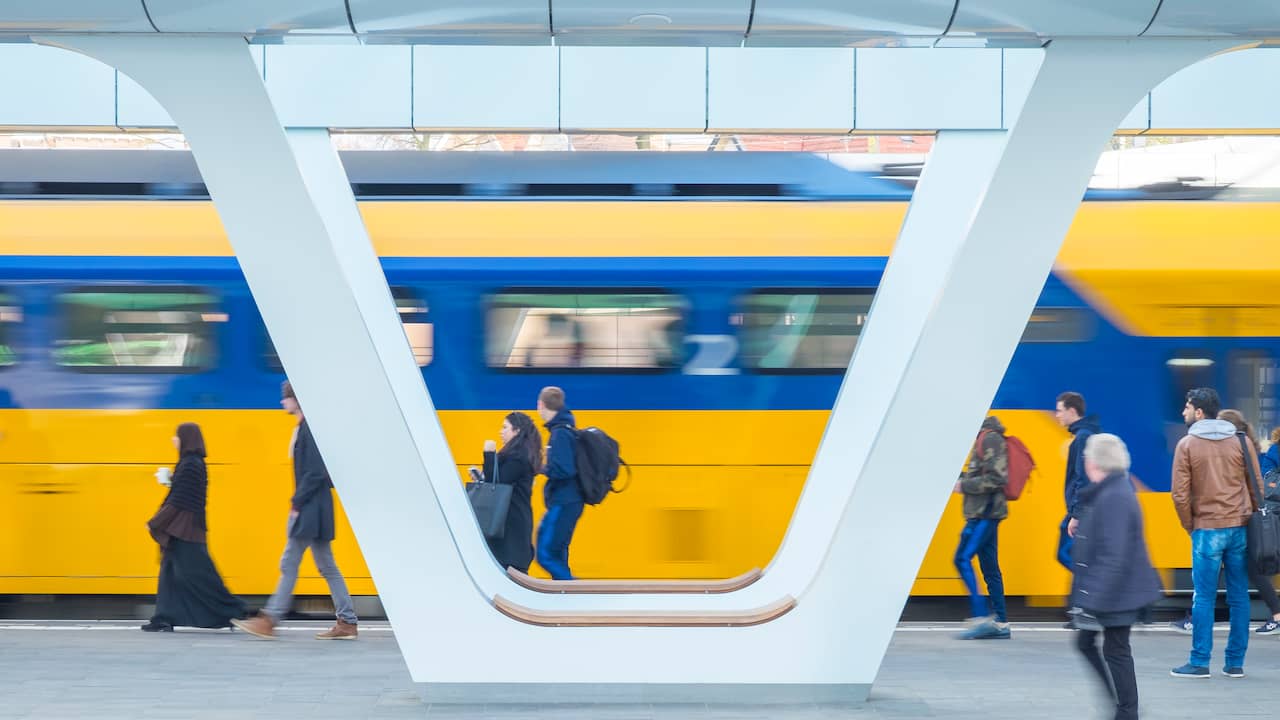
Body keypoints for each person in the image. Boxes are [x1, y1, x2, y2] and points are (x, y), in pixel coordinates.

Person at [233, 381, 359, 640]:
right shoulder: (308, 428)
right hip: (318, 507)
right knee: (327, 566)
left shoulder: (308, 429)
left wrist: (297, 503)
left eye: (286, 398)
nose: (282, 402)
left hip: (310, 508)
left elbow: (315, 472)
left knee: (289, 562)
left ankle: (270, 619)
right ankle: (347, 622)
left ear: (297, 400)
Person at [1170, 388, 1262, 678]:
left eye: (1186, 407)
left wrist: (1190, 525)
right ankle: (1235, 663)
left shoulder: (1187, 445)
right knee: (1239, 596)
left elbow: (1179, 495)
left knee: (1204, 597)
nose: (1182, 412)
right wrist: (1248, 516)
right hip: (1238, 528)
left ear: (1199, 412)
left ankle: (1199, 662)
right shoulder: (1242, 441)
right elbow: (1256, 484)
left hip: (1206, 529)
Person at [1070, 434, 1162, 720]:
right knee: (1093, 644)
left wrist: (1092, 599)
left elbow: (1115, 554)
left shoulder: (1115, 496)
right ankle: (1122, 708)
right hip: (1113, 589)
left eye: (1086, 456)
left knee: (1116, 650)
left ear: (1095, 461)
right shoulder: (1108, 490)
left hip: (1119, 591)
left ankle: (1126, 712)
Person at [143, 422, 247, 632]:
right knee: (170, 575)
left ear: (186, 439)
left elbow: (179, 502)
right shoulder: (190, 463)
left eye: (177, 436)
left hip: (186, 531)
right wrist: (171, 481)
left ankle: (235, 610)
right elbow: (183, 494)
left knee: (200, 575)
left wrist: (155, 522)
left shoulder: (191, 464)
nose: (174, 440)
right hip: (183, 530)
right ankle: (163, 618)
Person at [1220, 410, 1280, 634]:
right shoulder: (1251, 448)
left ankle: (1276, 613)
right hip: (1259, 514)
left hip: (1257, 514)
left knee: (1253, 566)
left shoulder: (1269, 450)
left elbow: (1262, 484)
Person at [954, 415, 1011, 640]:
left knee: (962, 558)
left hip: (985, 514)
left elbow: (998, 479)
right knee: (990, 568)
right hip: (984, 513)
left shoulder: (990, 439)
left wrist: (963, 485)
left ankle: (981, 618)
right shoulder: (983, 439)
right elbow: (980, 474)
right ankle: (1001, 623)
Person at [475, 412, 540, 573]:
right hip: (511, 523)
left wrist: (489, 453)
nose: (500, 431)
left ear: (517, 431)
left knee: (510, 572)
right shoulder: (519, 455)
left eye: (505, 427)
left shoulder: (519, 457)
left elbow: (497, 481)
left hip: (510, 527)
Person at [535, 386, 584, 580]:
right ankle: (564, 594)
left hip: (564, 501)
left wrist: (541, 468)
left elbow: (565, 469)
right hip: (568, 501)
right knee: (557, 552)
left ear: (541, 405)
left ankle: (573, 589)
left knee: (545, 554)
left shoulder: (560, 434)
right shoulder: (564, 429)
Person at [1055, 392, 1101, 572]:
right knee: (1076, 554)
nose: (1057, 415)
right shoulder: (1084, 434)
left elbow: (1082, 477)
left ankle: (1096, 590)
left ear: (1072, 411)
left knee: (1066, 553)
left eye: (1060, 410)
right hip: (1083, 507)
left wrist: (1076, 515)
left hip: (1083, 509)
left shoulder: (1082, 437)